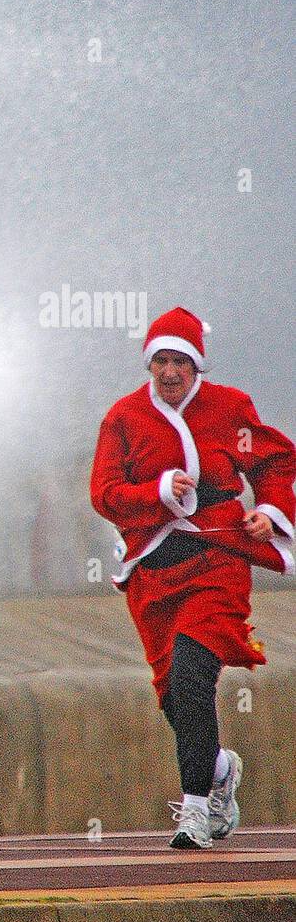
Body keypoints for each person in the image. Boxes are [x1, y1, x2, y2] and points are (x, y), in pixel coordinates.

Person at [91, 309, 294, 849]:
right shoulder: (125, 418)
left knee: (191, 673)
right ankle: (221, 768)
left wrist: (270, 512)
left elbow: (275, 464)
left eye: (181, 360)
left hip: (218, 558)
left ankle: (196, 811)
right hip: (153, 571)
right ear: (149, 362)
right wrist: (157, 491)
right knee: (171, 698)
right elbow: (105, 494)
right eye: (161, 360)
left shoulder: (231, 408)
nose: (171, 372)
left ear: (196, 364)